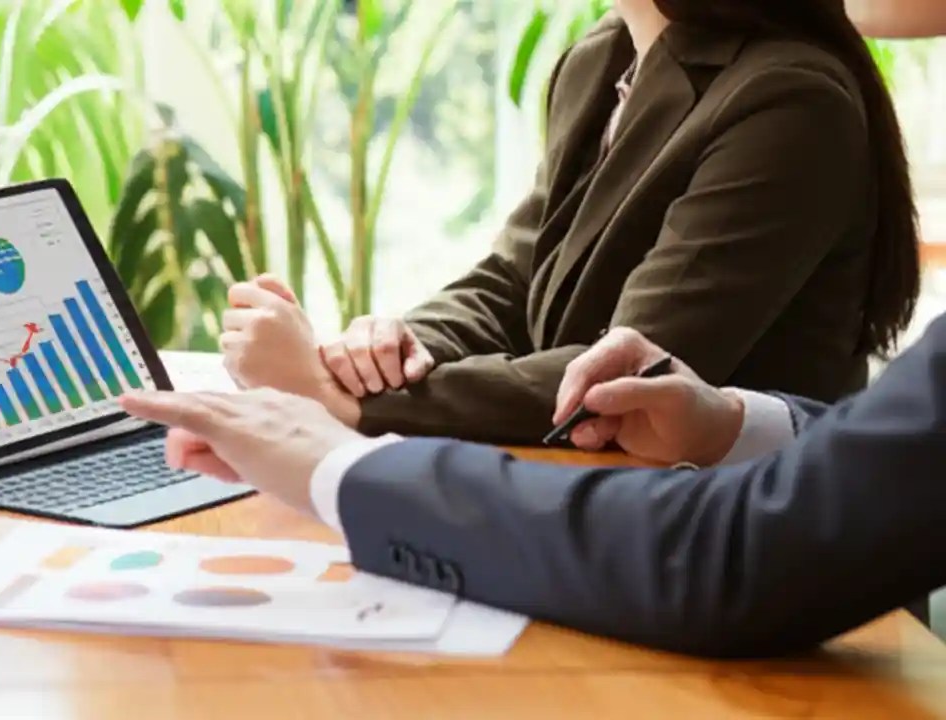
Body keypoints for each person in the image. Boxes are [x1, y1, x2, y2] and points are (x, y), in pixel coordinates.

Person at [219, 0, 922, 444]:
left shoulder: (789, 101)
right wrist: (384, 354)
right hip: (597, 500)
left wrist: (341, 401)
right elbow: (512, 278)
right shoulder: (605, 57)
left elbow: (626, 377)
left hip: (734, 541)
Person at [118, 312, 946, 658]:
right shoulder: (595, 65)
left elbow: (735, 557)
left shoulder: (790, 95)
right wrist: (738, 424)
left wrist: (346, 465)